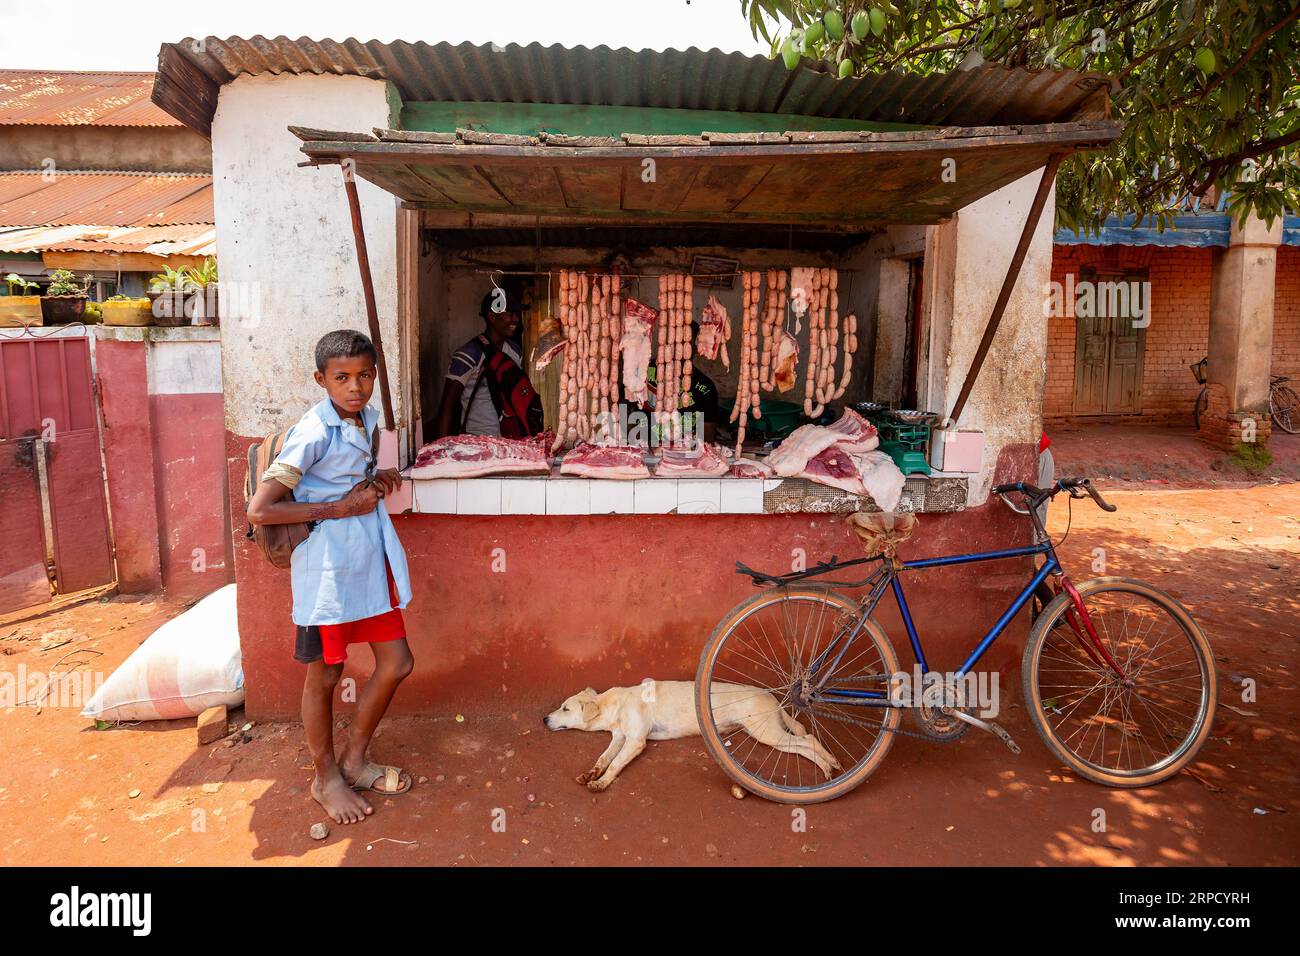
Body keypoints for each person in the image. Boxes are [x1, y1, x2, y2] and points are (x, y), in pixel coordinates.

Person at [246, 329, 415, 826]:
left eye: (364, 376)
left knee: (398, 661)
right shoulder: (312, 432)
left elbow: (349, 478)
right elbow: (261, 511)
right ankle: (325, 777)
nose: (355, 387)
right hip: (326, 572)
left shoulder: (367, 418)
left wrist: (374, 482)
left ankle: (355, 760)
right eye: (342, 378)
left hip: (365, 560)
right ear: (321, 380)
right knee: (326, 674)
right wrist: (342, 507)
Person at [434, 287, 543, 439]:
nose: (516, 319)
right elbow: (448, 405)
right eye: (510, 314)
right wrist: (440, 448)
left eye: (517, 314)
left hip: (510, 439)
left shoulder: (514, 350)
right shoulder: (468, 354)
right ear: (492, 317)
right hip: (478, 441)